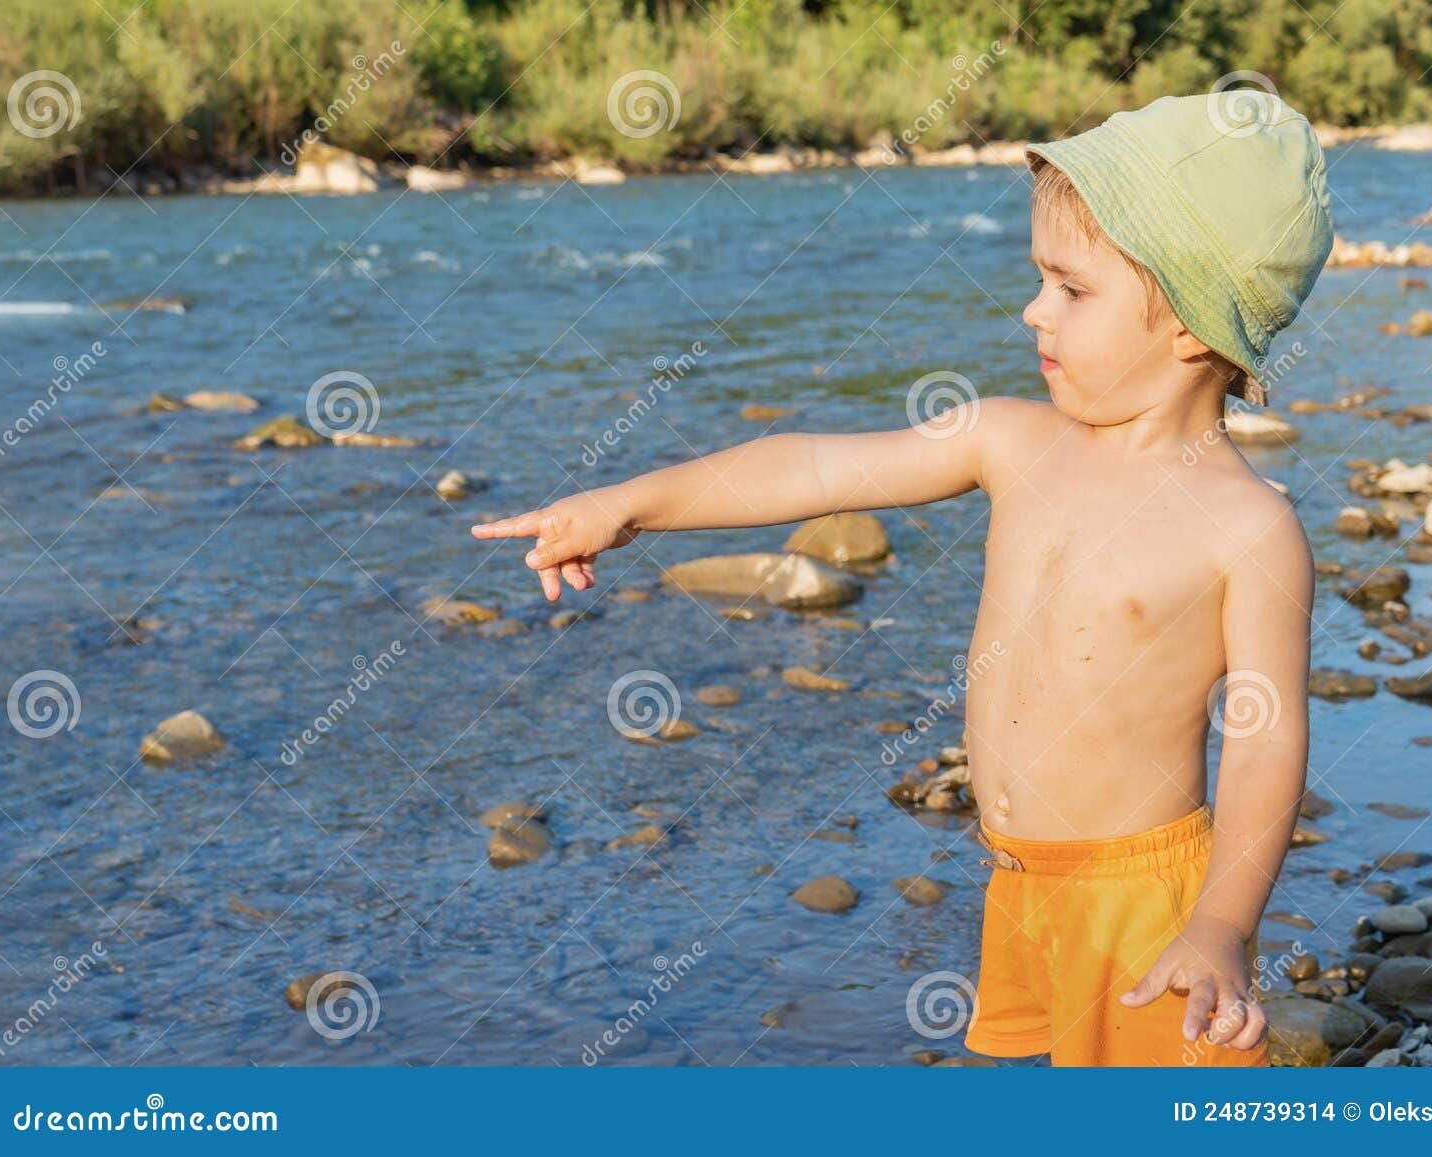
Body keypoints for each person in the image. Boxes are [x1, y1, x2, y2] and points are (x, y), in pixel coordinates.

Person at [471, 89, 1334, 1066]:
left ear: (1187, 319)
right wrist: (633, 501)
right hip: (1018, 877)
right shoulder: (1011, 439)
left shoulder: (1245, 525)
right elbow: (814, 466)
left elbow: (1267, 739)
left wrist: (1220, 920)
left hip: (1144, 901)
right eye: (1037, 280)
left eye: (1070, 289)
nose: (1031, 310)